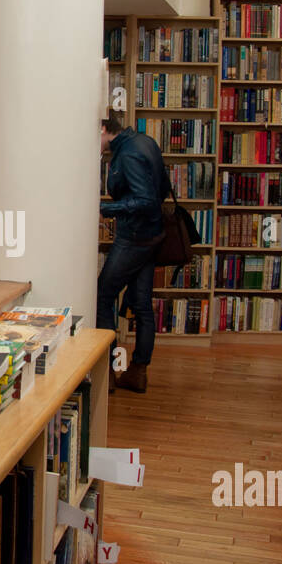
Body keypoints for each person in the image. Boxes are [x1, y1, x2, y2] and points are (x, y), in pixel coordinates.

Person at [98, 115, 168, 393]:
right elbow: (161, 189)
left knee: (102, 296)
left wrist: (105, 210)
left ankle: (111, 373)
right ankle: (138, 372)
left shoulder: (127, 155)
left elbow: (146, 200)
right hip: (152, 235)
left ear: (104, 129)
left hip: (135, 237)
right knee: (141, 304)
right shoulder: (144, 141)